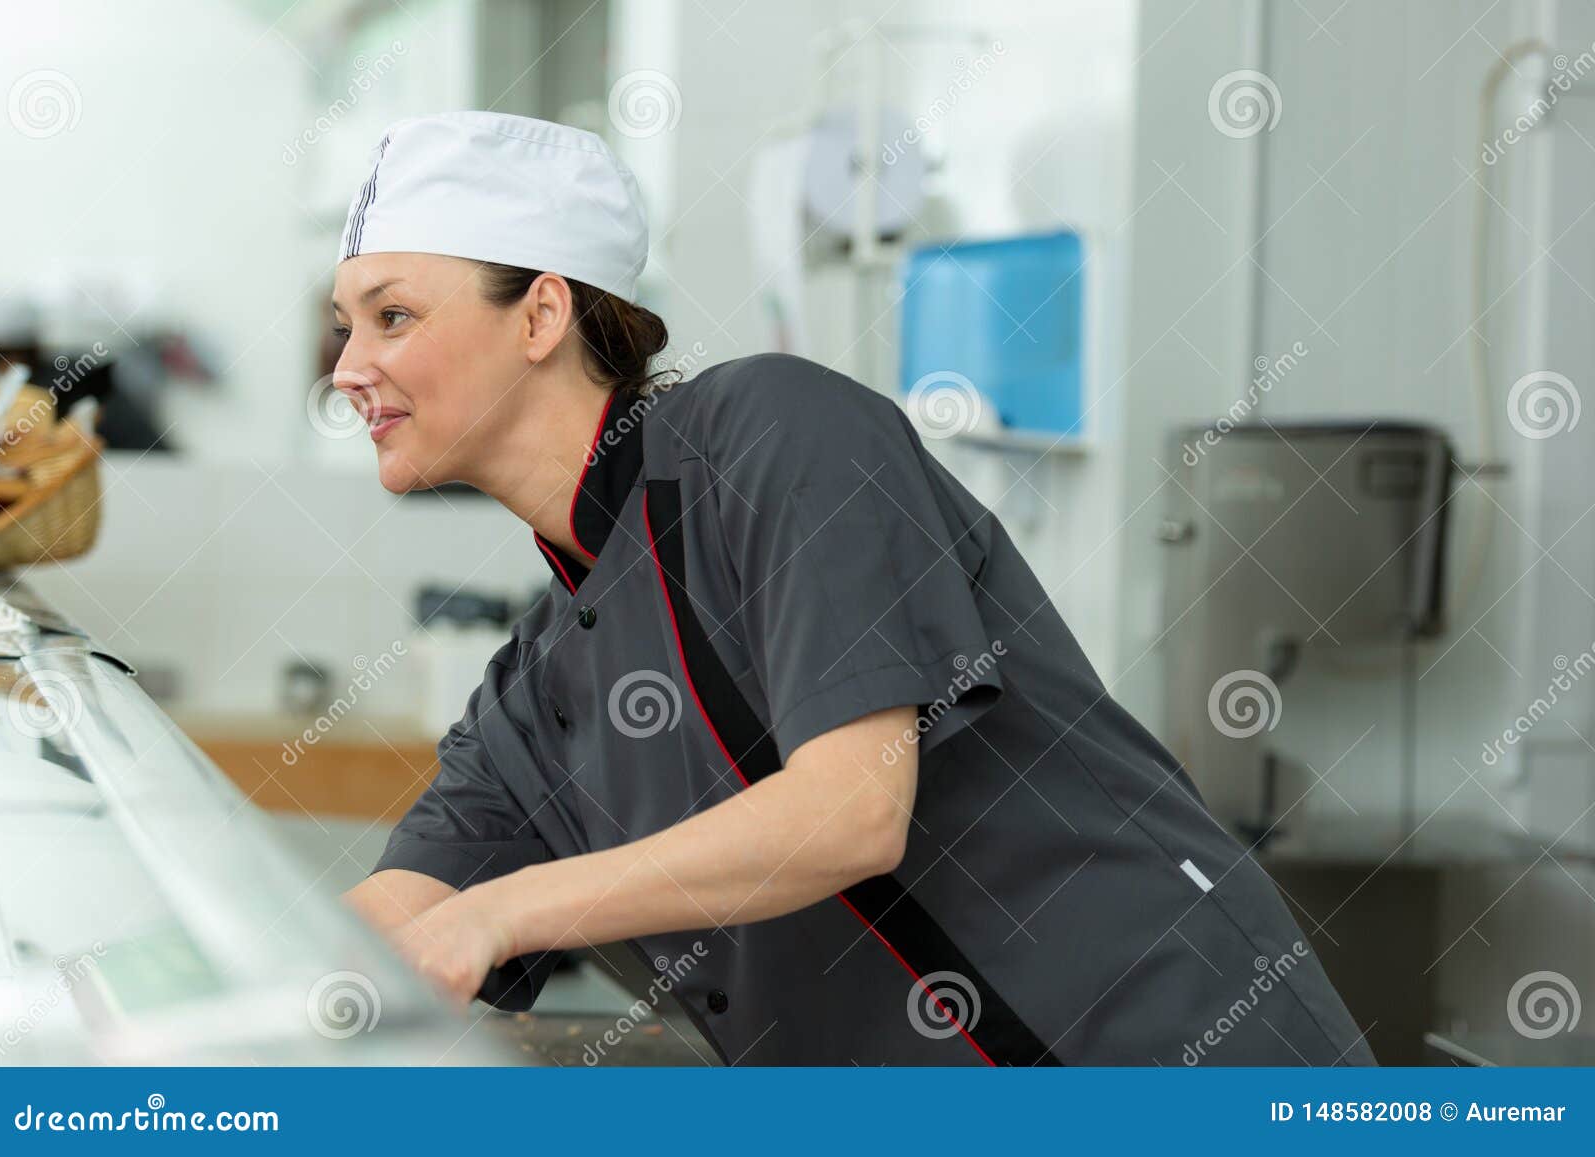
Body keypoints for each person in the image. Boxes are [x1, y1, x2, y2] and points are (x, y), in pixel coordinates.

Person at [336, 111, 1374, 1066]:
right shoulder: (534, 690)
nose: (347, 367)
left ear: (540, 316)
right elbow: (399, 911)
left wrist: (505, 910)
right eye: (346, 325)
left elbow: (848, 811)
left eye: (392, 316)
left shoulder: (779, 433)